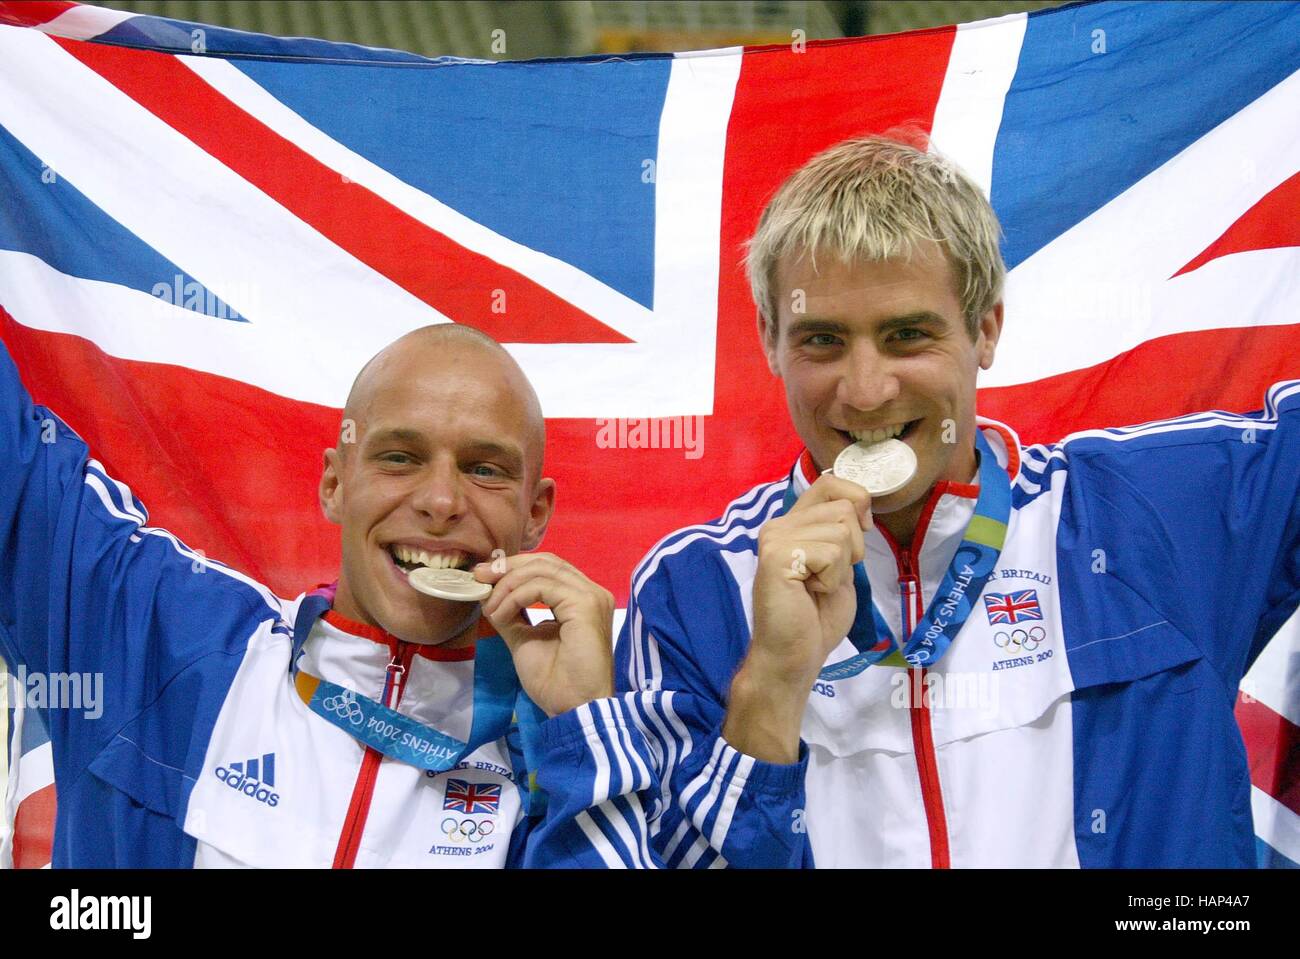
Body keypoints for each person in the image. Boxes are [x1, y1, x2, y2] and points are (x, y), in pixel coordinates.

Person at [615, 134, 1300, 867]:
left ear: (986, 328)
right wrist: (774, 680)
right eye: (822, 340)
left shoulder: (1155, 512)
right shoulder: (692, 591)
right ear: (770, 340)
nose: (866, 389)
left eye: (908, 334)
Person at [0, 323, 662, 867]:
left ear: (535, 513)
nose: (440, 501)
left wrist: (584, 725)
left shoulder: (564, 755)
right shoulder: (160, 633)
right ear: (334, 482)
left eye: (483, 469)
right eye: (399, 456)